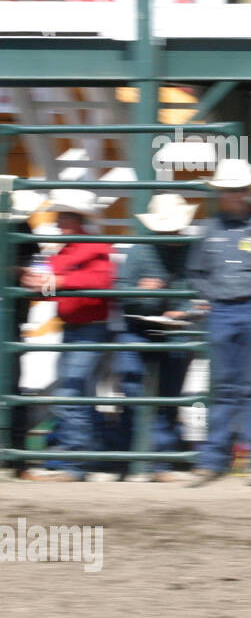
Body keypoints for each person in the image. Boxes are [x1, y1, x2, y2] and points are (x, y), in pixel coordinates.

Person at [187, 160, 251, 487]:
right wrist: (210, 295)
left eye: (239, 190)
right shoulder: (210, 229)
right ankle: (218, 458)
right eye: (229, 191)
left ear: (248, 192)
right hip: (225, 309)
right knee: (225, 387)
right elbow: (196, 272)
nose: (234, 196)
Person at [18, 188, 115, 482]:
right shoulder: (69, 251)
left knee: (71, 392)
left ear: (76, 219)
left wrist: (55, 281)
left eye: (64, 216)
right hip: (75, 328)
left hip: (88, 329)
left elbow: (102, 281)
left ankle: (76, 462)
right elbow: (53, 290)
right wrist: (38, 283)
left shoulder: (93, 247)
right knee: (76, 393)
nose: (59, 221)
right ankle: (91, 454)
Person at [115, 193, 200, 484]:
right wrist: (143, 293)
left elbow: (198, 291)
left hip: (171, 331)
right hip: (139, 327)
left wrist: (185, 310)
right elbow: (122, 293)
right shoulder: (140, 251)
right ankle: (135, 458)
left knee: (167, 398)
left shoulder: (188, 251)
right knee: (133, 392)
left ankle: (155, 460)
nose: (170, 234)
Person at [3, 189, 42, 479]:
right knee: (13, 384)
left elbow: (37, 264)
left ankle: (17, 457)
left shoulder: (22, 226)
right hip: (13, 315)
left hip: (12, 318)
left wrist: (24, 272)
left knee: (13, 385)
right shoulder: (22, 225)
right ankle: (17, 459)